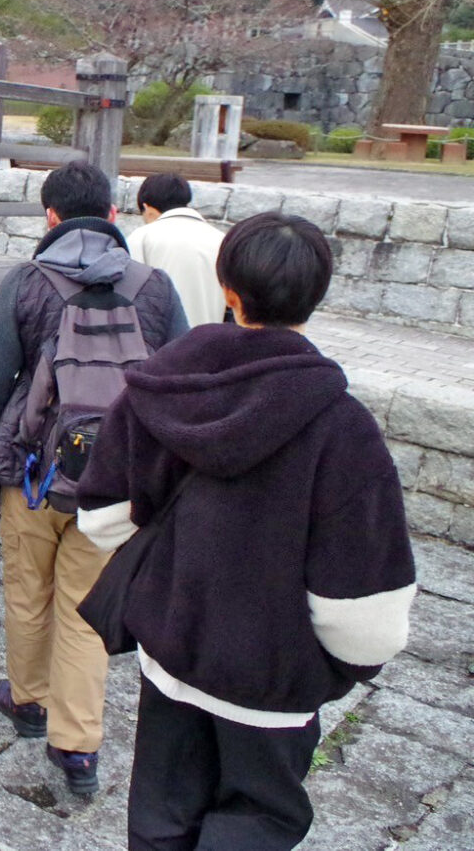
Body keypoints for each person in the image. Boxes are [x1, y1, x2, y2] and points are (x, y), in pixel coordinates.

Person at [77, 212, 416, 851]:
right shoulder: (343, 426)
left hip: (173, 649)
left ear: (227, 288)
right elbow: (365, 608)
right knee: (258, 820)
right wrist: (341, 663)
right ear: (317, 297)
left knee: (160, 814)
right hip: (273, 676)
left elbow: (100, 518)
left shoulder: (161, 385)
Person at [0, 160, 188, 795]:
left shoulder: (26, 280)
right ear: (115, 215)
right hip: (114, 481)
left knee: (26, 590)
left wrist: (3, 451)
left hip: (36, 471)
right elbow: (173, 384)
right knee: (84, 609)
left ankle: (29, 700)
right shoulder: (155, 287)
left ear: (50, 217)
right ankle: (78, 746)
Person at [125, 173, 227, 325]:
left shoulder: (142, 237)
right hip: (211, 342)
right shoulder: (222, 240)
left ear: (147, 208)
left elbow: (129, 295)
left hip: (163, 344)